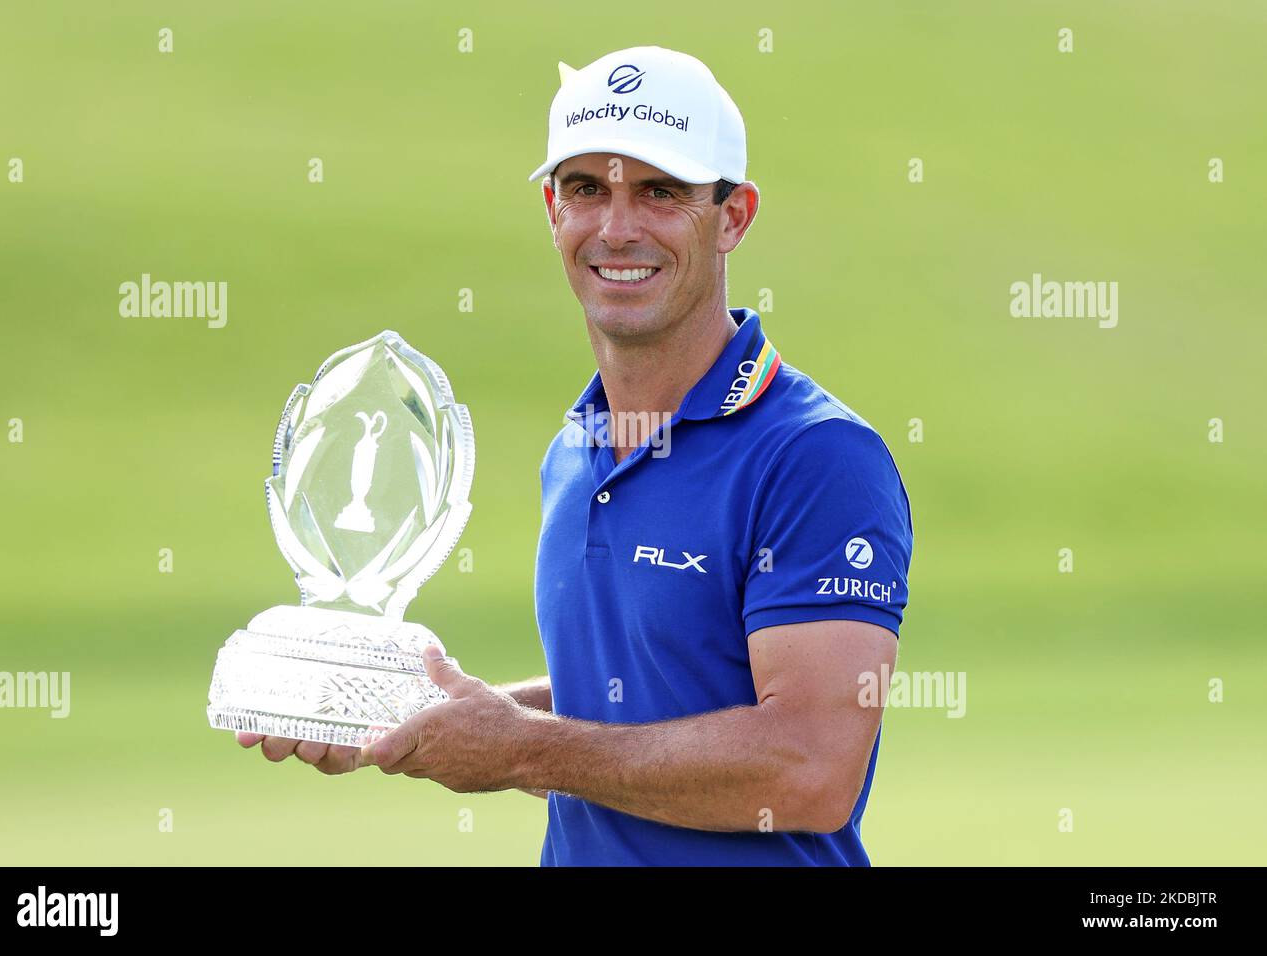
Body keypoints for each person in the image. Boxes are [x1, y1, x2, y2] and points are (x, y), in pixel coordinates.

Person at [238, 45, 913, 867]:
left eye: (660, 192)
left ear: (733, 215)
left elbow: (809, 768)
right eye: (587, 188)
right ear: (551, 210)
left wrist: (522, 749)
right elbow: (650, 689)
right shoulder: (576, 446)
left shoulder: (816, 455)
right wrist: (411, 713)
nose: (617, 227)